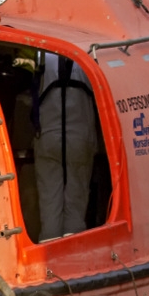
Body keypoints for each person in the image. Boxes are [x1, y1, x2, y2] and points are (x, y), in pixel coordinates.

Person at [33, 52, 98, 241]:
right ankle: (74, 245)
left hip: (48, 136)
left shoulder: (41, 53)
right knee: (76, 201)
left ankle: (49, 249)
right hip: (80, 137)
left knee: (49, 202)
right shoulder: (90, 53)